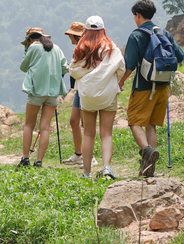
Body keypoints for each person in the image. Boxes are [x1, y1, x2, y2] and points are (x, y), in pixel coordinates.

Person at [119, 0, 184, 177]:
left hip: (144, 87)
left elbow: (130, 65)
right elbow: (180, 55)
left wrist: (121, 81)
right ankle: (148, 169)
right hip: (163, 86)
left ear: (137, 15)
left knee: (134, 121)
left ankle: (146, 150)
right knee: (151, 125)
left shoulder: (136, 35)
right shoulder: (164, 33)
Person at [69, 15, 124, 180]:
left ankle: (86, 173)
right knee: (106, 133)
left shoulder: (81, 47)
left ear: (86, 30)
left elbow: (74, 71)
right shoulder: (111, 47)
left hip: (87, 95)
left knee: (88, 134)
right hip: (107, 93)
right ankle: (107, 168)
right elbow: (121, 68)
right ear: (103, 30)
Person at [18, 27, 68, 168]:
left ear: (30, 39)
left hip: (36, 91)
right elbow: (65, 68)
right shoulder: (56, 48)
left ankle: (25, 159)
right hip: (52, 93)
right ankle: (39, 161)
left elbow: (23, 67)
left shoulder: (33, 47)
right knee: (44, 128)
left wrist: (26, 50)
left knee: (29, 124)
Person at [60, 22, 93, 169]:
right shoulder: (79, 49)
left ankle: (90, 156)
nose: (69, 38)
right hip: (79, 89)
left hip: (85, 88)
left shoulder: (83, 49)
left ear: (76, 35)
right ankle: (79, 154)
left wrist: (69, 69)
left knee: (85, 123)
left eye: (71, 35)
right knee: (74, 120)